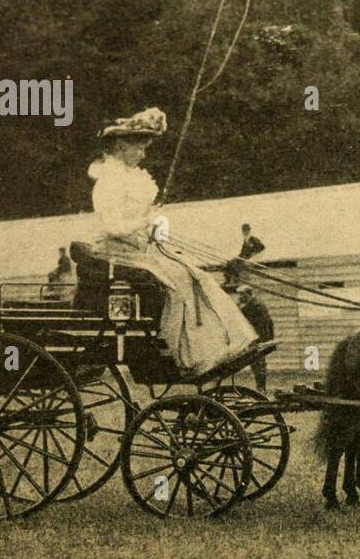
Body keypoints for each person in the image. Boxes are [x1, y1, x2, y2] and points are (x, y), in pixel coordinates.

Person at [88, 106, 256, 378]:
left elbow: (140, 222)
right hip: (115, 252)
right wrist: (145, 221)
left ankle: (219, 347)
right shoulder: (107, 183)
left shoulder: (128, 179)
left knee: (194, 272)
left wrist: (153, 221)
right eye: (139, 148)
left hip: (137, 248)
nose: (143, 154)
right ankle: (190, 357)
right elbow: (114, 227)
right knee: (178, 278)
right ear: (120, 146)